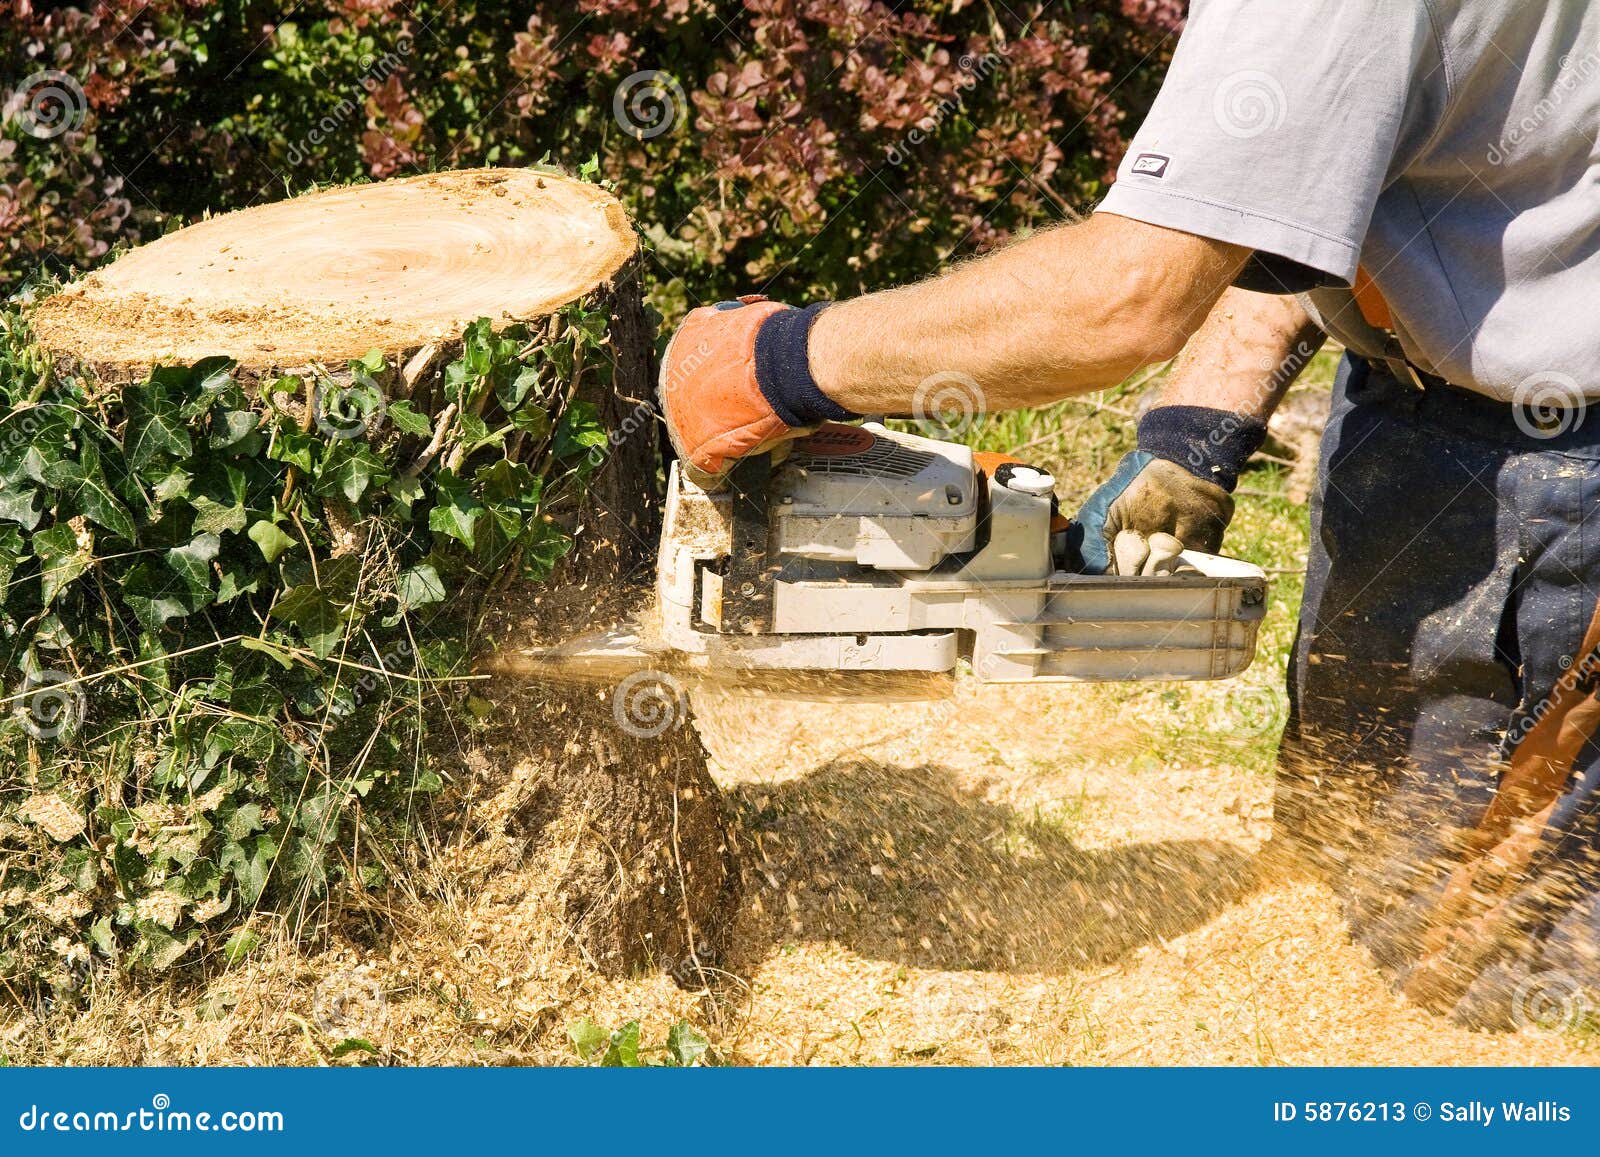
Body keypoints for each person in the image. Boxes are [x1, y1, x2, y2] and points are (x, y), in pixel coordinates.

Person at [655, 0, 1600, 1030]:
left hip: (1554, 472)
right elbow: (1310, 188)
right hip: (1424, 415)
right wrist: (1198, 432)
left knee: (1474, 968)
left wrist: (778, 364)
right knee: (1350, 875)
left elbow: (1121, 299)